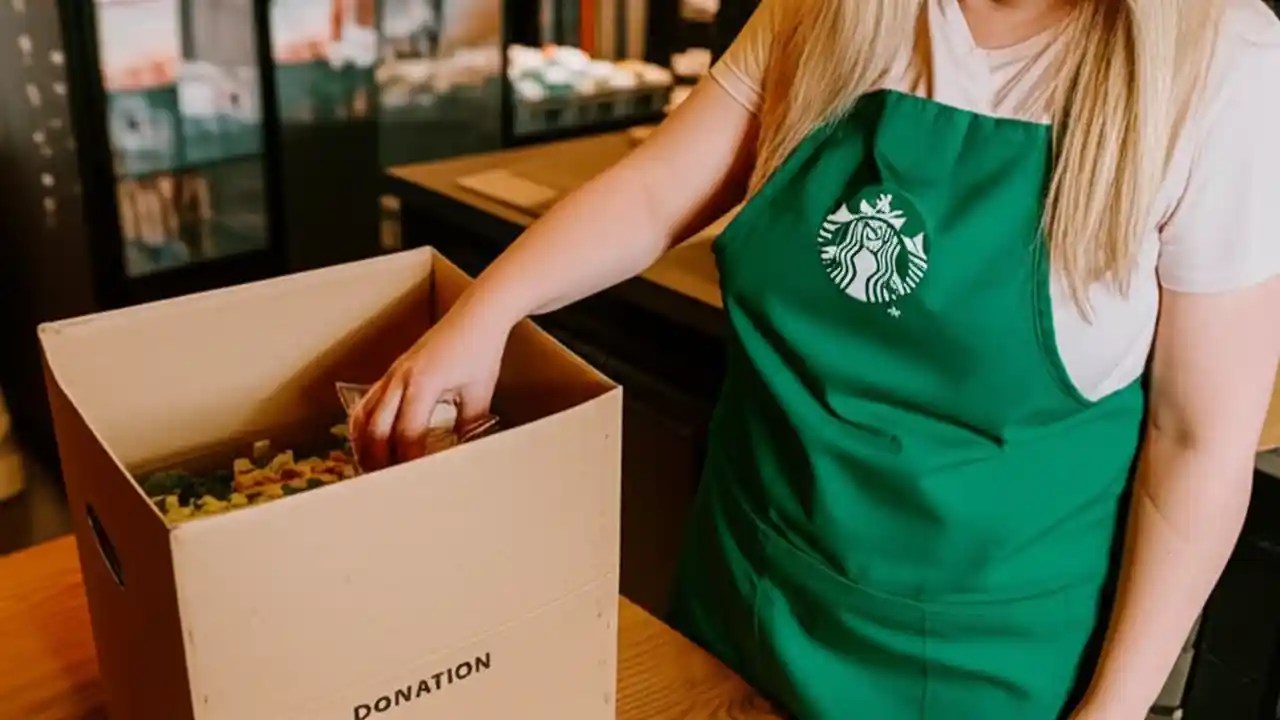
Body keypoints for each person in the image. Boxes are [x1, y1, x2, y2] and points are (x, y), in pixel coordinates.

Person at [350, 0, 1280, 717]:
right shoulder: (828, 8)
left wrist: (1113, 710)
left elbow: (1197, 442)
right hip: (743, 586)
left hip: (983, 661)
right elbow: (659, 188)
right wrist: (485, 313)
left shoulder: (1220, 62)